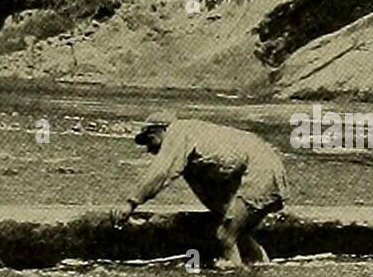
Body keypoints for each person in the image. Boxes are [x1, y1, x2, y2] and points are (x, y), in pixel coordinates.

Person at [122, 113, 288, 267]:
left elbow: (161, 172)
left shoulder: (177, 132)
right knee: (239, 233)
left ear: (162, 129)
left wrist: (131, 203)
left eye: (150, 140)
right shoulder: (194, 141)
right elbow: (218, 191)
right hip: (266, 164)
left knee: (225, 236)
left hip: (261, 170)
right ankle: (265, 269)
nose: (149, 149)